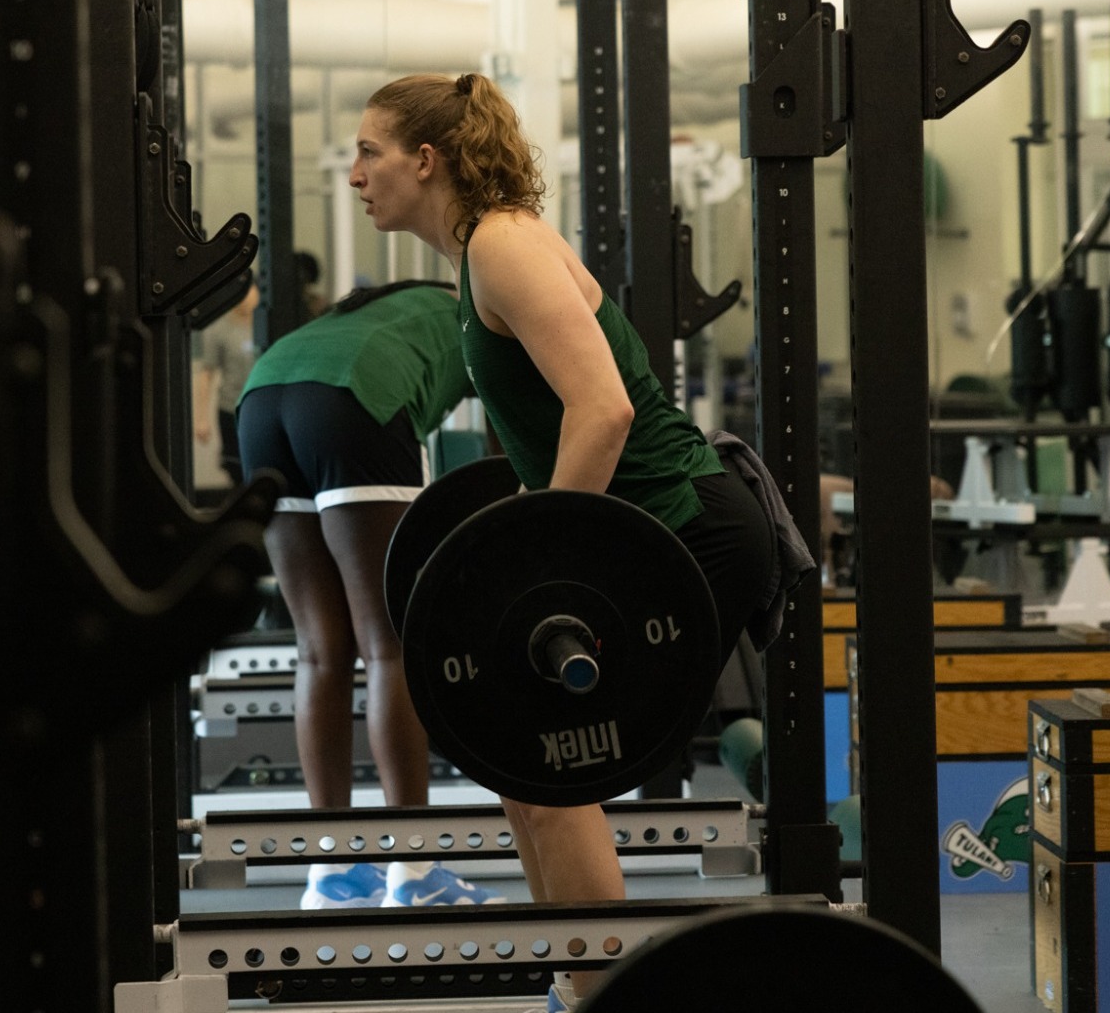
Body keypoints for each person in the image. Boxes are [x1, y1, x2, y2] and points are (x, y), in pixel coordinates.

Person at [349, 72, 777, 1012]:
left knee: (550, 768)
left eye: (369, 152)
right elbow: (546, 427)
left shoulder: (502, 244)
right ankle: (571, 980)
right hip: (642, 528)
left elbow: (605, 408)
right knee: (523, 766)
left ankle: (591, 993)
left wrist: (545, 563)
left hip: (685, 523)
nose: (355, 175)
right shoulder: (479, 257)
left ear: (426, 160)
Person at [235, 277, 502, 910]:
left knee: (319, 650)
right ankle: (415, 871)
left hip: (260, 401)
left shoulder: (374, 317)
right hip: (354, 399)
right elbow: (510, 431)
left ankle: (332, 872)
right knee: (390, 643)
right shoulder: (484, 310)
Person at [195, 272, 259, 487]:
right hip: (230, 407)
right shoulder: (219, 328)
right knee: (236, 467)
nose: (245, 297)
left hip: (259, 406)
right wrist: (201, 417)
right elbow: (207, 373)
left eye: (249, 290)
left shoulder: (267, 323)